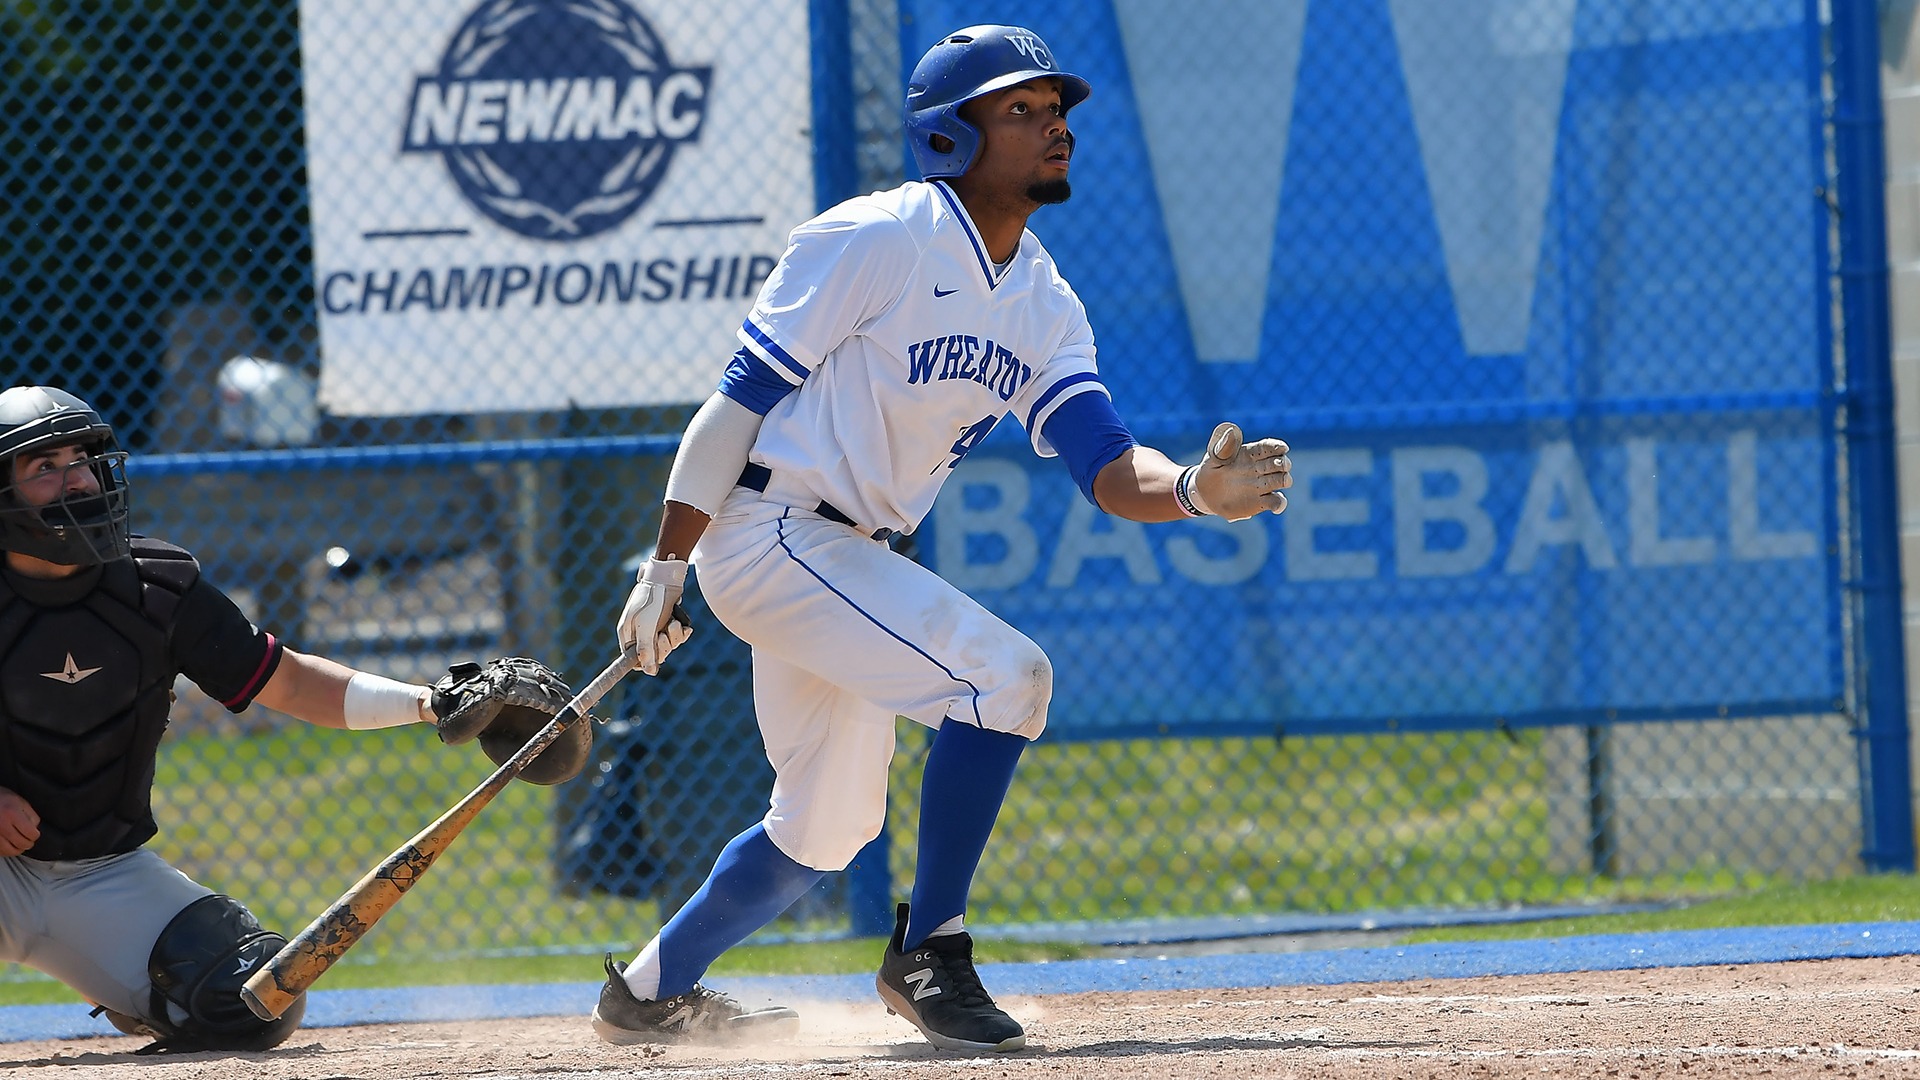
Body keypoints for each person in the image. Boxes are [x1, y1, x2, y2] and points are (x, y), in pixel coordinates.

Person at [591, 24, 1291, 1053]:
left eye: (1056, 108)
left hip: (849, 555)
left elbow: (1109, 469)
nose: (1054, 125)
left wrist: (1191, 488)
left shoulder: (1044, 301)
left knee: (828, 827)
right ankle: (930, 951)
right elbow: (736, 405)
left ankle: (649, 993)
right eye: (1021, 109)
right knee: (1007, 678)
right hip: (769, 532)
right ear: (949, 137)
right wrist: (667, 565)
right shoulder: (878, 237)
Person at [0, 384, 588, 1053]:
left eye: (81, 460)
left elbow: (289, 681)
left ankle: (121, 978)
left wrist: (429, 702)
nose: (75, 480)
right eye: (44, 467)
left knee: (250, 999)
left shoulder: (154, 587)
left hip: (101, 874)